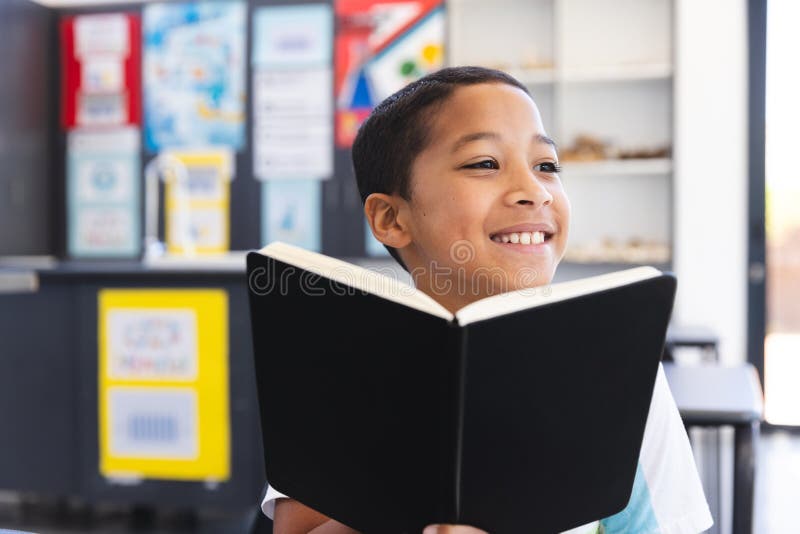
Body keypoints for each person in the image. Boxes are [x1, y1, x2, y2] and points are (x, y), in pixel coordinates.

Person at [261, 66, 713, 534]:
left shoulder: (620, 370)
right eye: (484, 163)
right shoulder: (337, 374)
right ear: (391, 217)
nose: (533, 191)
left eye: (547, 166)